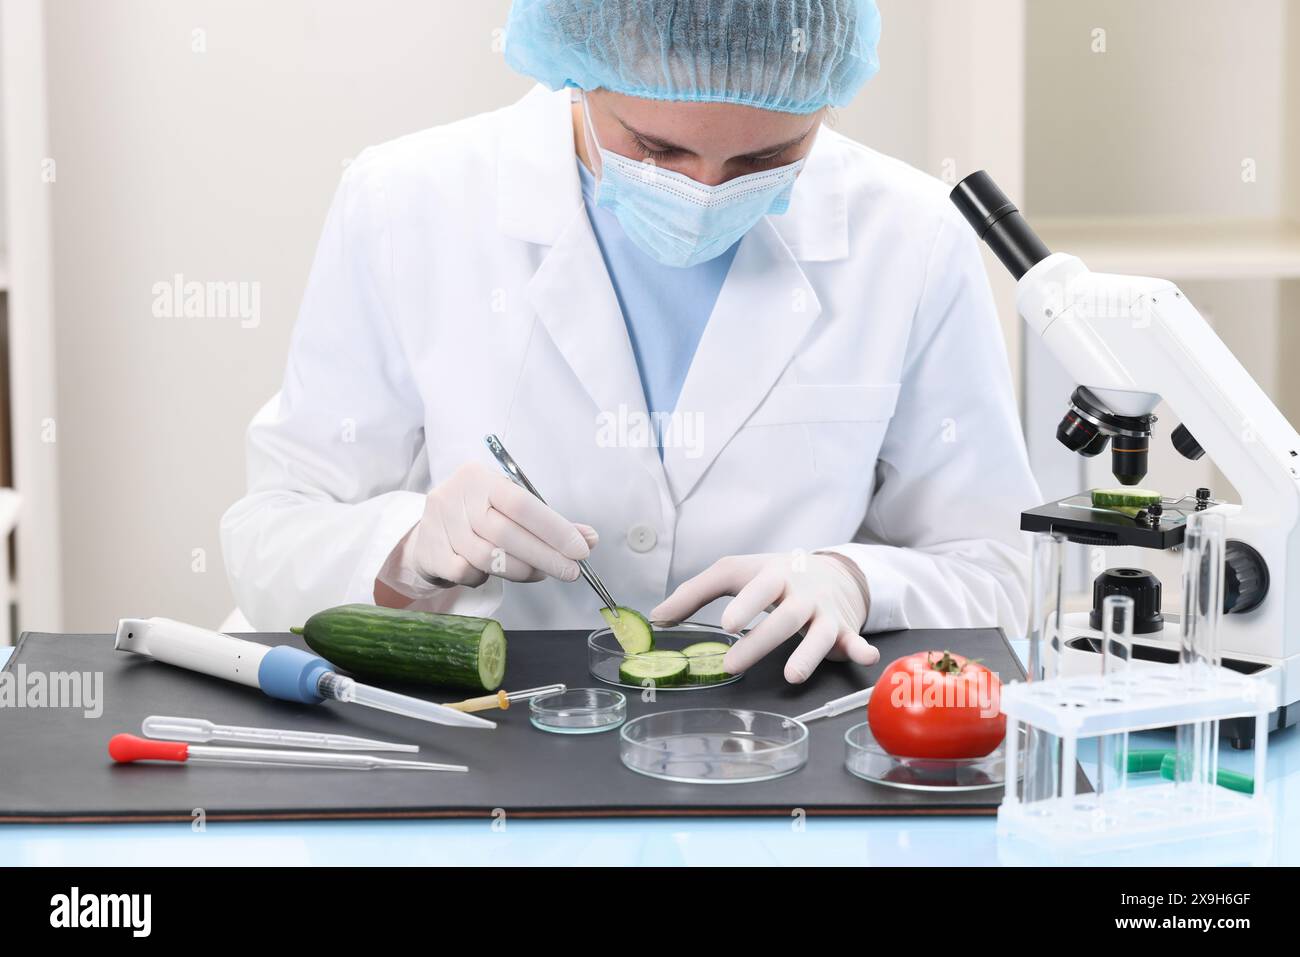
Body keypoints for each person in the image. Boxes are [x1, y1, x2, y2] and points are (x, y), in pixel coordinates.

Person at [221, 0, 1040, 684]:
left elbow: (1002, 570)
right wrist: (409, 551)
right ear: (580, 67)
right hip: (489, 735)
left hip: (776, 749)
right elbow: (272, 535)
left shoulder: (912, 236)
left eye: (767, 157)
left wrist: (859, 579)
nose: (705, 190)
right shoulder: (407, 203)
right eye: (656, 148)